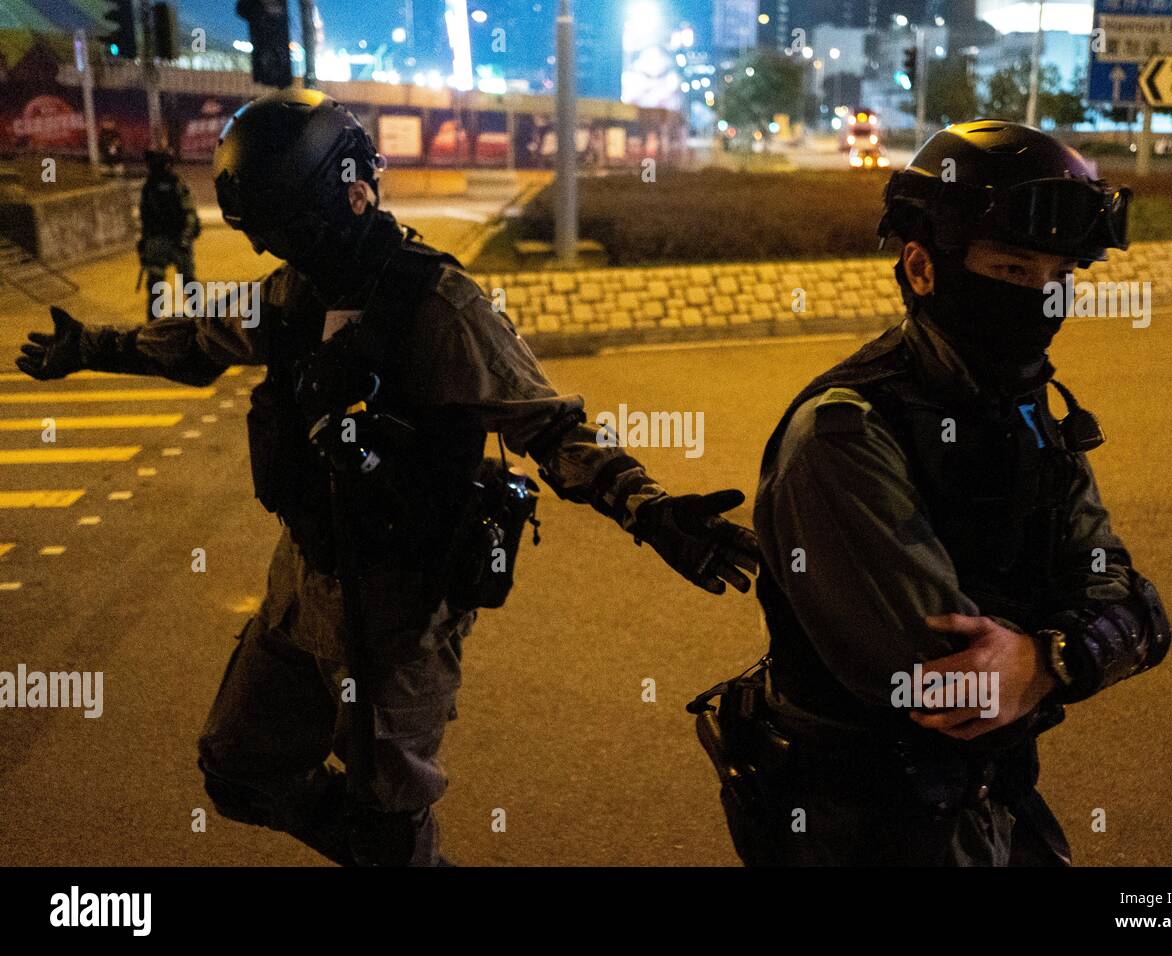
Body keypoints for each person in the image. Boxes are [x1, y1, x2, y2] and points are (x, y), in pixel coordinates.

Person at [15, 88, 758, 866]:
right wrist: (93, 347)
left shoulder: (441, 306)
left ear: (353, 189)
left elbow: (550, 424)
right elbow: (204, 341)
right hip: (303, 584)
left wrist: (650, 508)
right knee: (238, 771)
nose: (276, 253)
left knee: (390, 823)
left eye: (289, 229)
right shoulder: (297, 290)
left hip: (404, 607)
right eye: (267, 236)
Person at [689, 120, 1172, 866]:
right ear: (922, 267)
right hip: (867, 826)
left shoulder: (1021, 403)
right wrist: (1079, 637)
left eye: (1060, 275)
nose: (1042, 298)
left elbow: (1133, 598)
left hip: (989, 804)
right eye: (1013, 271)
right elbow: (955, 685)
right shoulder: (844, 434)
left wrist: (1045, 661)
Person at [138, 146, 200, 321]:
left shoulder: (150, 186)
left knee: (160, 285)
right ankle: (201, 321)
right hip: (169, 241)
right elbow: (189, 212)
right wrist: (186, 238)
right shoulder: (173, 183)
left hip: (161, 242)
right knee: (186, 282)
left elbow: (144, 219)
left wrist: (145, 243)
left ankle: (153, 325)